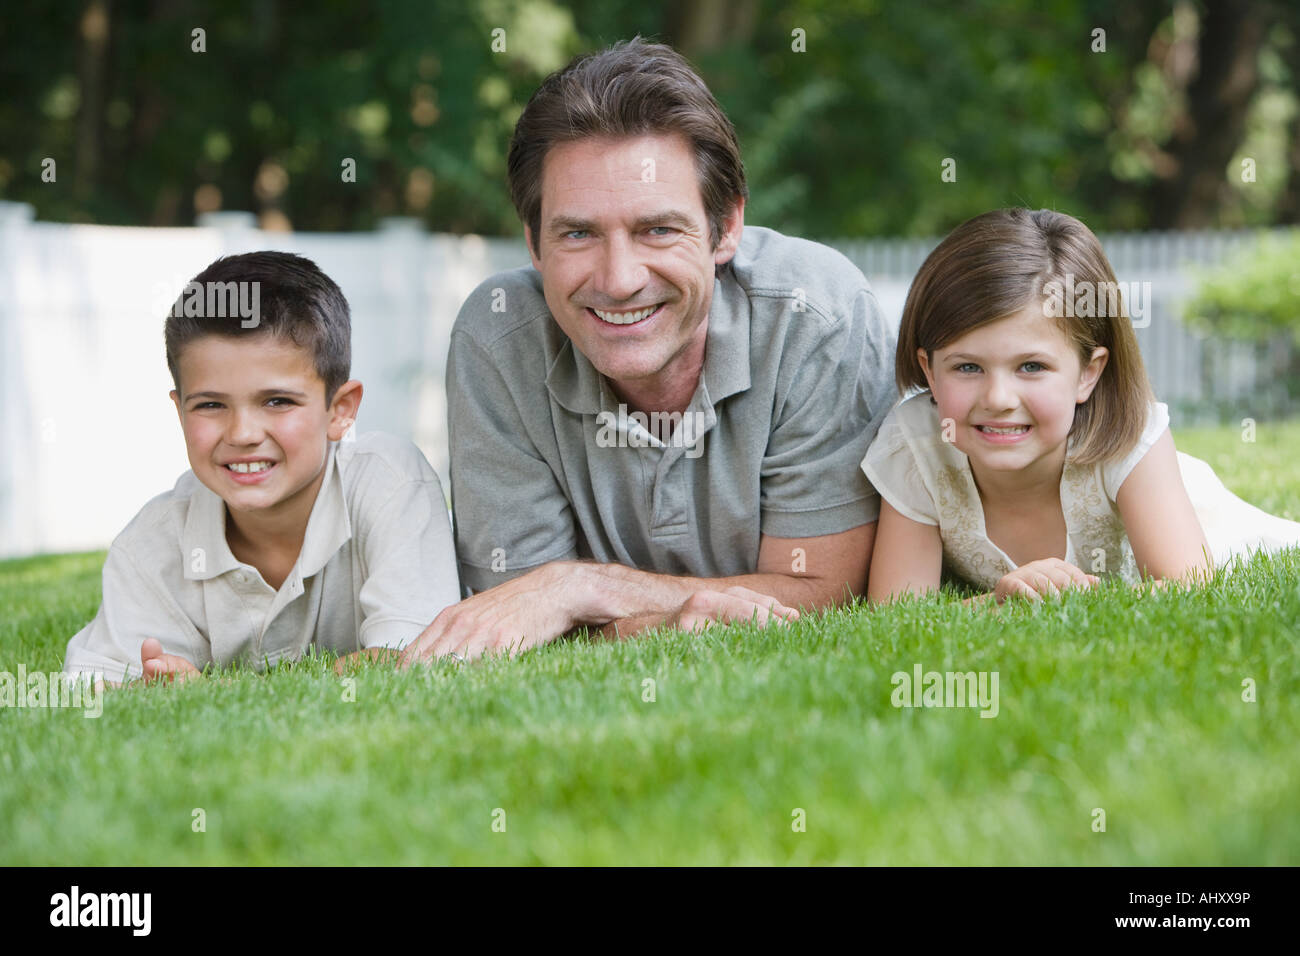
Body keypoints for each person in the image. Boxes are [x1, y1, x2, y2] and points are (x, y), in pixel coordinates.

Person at [401, 38, 897, 663]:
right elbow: (518, 628)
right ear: (533, 244)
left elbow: (825, 600)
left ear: (727, 228)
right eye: (577, 233)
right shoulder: (498, 338)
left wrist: (580, 585)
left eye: (657, 229)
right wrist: (657, 616)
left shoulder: (816, 316)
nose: (618, 279)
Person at [861, 207, 1300, 603]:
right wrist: (998, 602)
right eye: (968, 368)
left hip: (1216, 532)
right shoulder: (918, 443)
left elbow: (1188, 588)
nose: (997, 399)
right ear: (929, 370)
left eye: (1031, 366)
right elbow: (898, 612)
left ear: (1088, 373)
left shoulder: (1128, 434)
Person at [62, 251, 460, 684]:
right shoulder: (151, 548)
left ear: (340, 410)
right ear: (180, 413)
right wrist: (157, 686)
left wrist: (219, 692)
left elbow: (414, 660)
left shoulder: (390, 486)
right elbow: (96, 684)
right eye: (211, 405)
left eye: (277, 401)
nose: (243, 432)